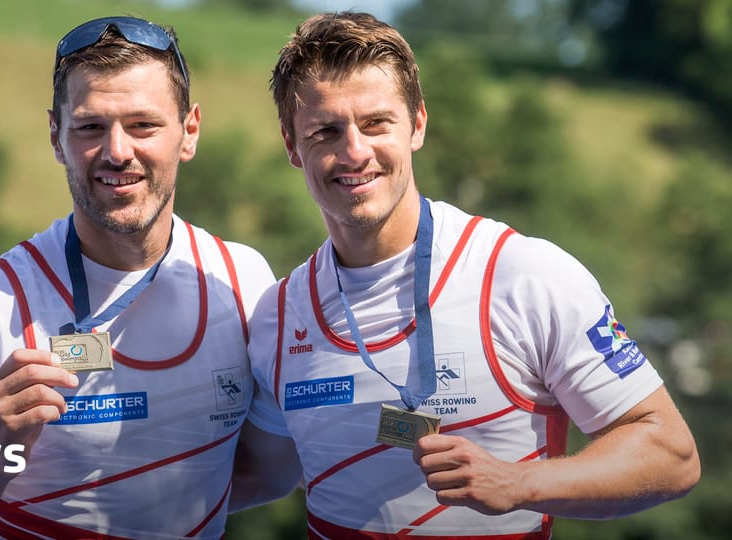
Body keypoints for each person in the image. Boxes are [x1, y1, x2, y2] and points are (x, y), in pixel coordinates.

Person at [232, 11, 701, 538]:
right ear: (293, 146)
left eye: (376, 123)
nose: (355, 150)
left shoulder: (522, 274)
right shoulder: (278, 313)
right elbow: (263, 474)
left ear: (418, 124)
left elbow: (670, 454)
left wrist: (522, 483)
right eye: (326, 131)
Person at [0, 15, 276, 539]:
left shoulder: (244, 281)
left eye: (143, 125)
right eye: (90, 127)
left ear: (189, 132)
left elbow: (270, 470)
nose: (117, 151)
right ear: (56, 136)